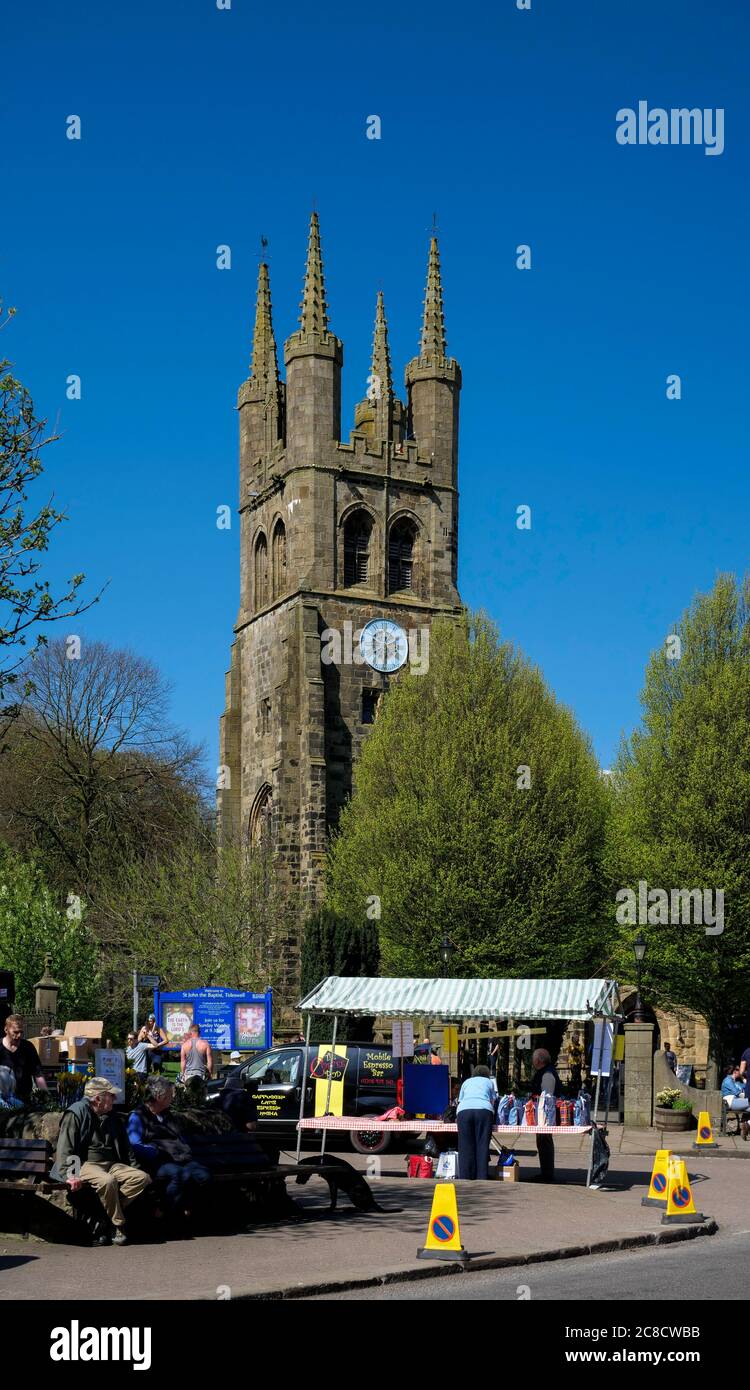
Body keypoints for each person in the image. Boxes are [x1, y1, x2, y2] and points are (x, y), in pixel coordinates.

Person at [50, 1077, 151, 1245]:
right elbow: (65, 1148)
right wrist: (70, 1175)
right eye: (111, 1095)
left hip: (111, 1164)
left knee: (142, 1178)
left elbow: (126, 1148)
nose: (115, 1099)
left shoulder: (112, 1116)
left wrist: (135, 1167)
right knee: (108, 1181)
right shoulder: (76, 1112)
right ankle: (118, 1224)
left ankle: (103, 1217)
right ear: (98, 1098)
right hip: (85, 1164)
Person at [127, 1077, 211, 1221]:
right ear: (160, 1097)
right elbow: (135, 1143)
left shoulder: (168, 1114)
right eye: (170, 1095)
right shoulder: (138, 1116)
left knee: (204, 1175)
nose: (173, 1097)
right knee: (180, 1175)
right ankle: (163, 1210)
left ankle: (183, 1206)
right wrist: (155, 1152)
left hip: (179, 1157)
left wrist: (184, 1149)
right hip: (157, 1160)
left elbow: (179, 1137)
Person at [456, 1063, 497, 1180]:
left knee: (465, 1146)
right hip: (484, 1111)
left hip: (464, 1111)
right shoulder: (489, 1082)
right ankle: (481, 1176)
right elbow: (492, 1100)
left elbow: (460, 1100)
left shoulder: (466, 1082)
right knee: (482, 1144)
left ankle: (465, 1175)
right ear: (487, 1074)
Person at [531, 1047, 563, 1183]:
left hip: (545, 1116)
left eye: (533, 1059)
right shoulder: (545, 1072)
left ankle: (547, 1174)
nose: (532, 1062)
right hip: (542, 1114)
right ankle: (545, 1173)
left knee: (545, 1142)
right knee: (542, 1142)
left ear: (539, 1060)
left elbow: (547, 1096)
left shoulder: (547, 1074)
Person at [0, 1015, 48, 1103]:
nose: (19, 1035)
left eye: (21, 1032)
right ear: (6, 1030)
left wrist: (45, 1094)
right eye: (16, 1032)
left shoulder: (28, 1047)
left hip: (24, 1100)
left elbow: (38, 1073)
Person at [722, 1065, 749, 1140]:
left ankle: (746, 1125)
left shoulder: (736, 1082)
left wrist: (742, 1078)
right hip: (731, 1101)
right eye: (739, 1071)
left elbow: (747, 1086)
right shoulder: (727, 1080)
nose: (741, 1072)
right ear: (735, 1071)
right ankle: (746, 1124)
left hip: (738, 1101)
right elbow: (737, 1093)